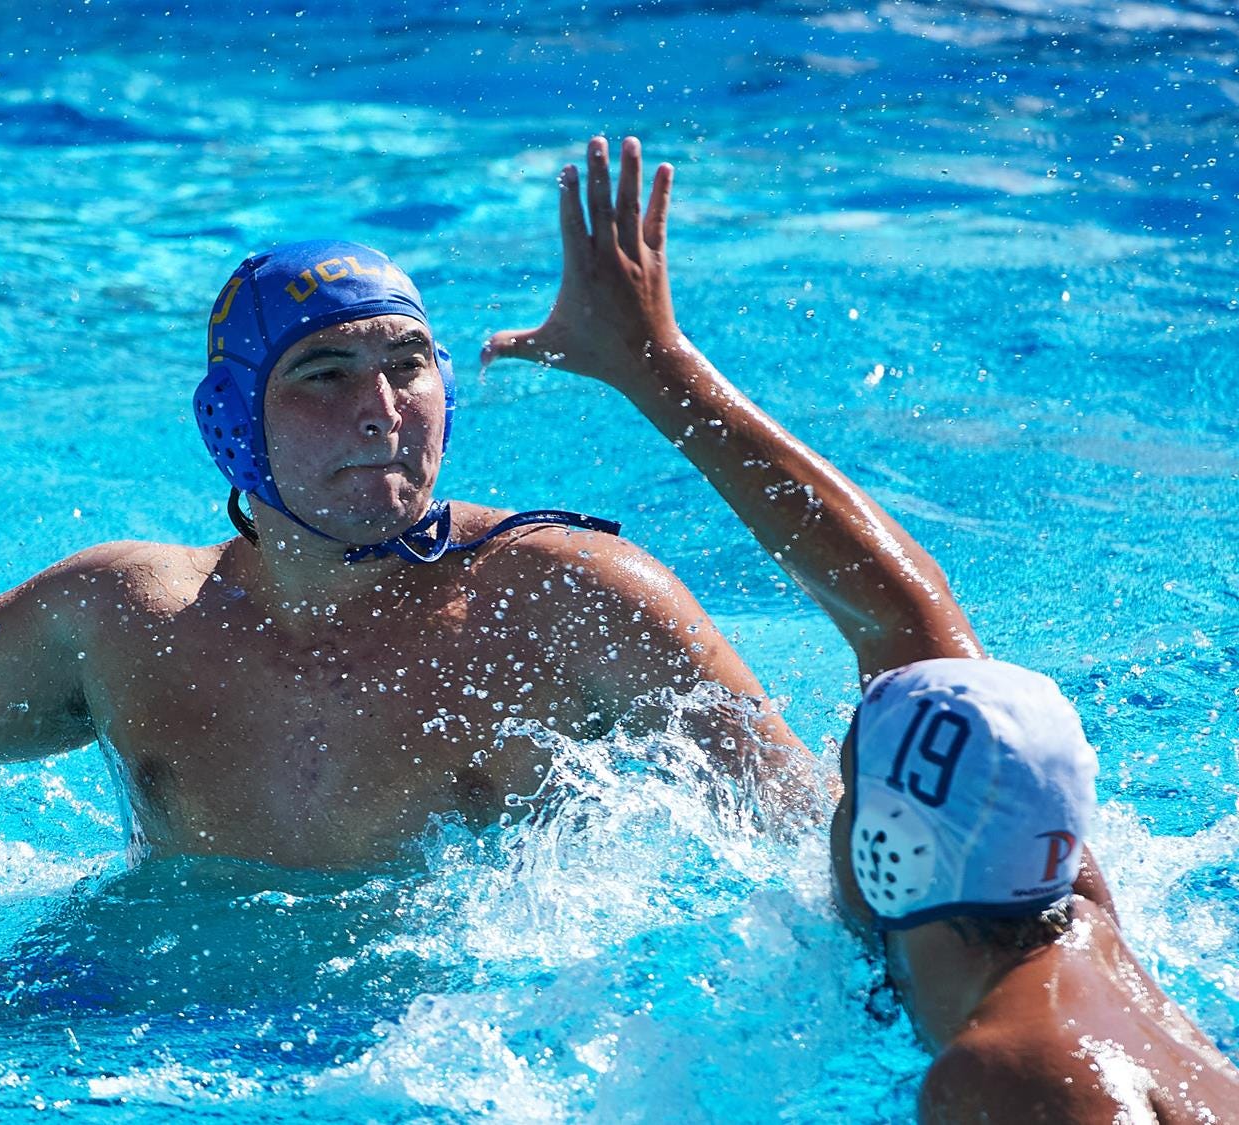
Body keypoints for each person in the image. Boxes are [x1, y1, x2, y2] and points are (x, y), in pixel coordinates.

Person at [0, 137, 823, 871]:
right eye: (324, 376)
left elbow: (825, 854)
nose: (383, 410)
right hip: (129, 1024)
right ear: (232, 425)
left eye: (407, 368)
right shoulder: (127, 619)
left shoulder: (569, 602)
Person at [485, 137, 1239, 1121]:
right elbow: (904, 621)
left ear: (886, 853)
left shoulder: (1005, 1074)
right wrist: (653, 366)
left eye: (845, 789)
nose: (821, 809)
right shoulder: (1066, 916)